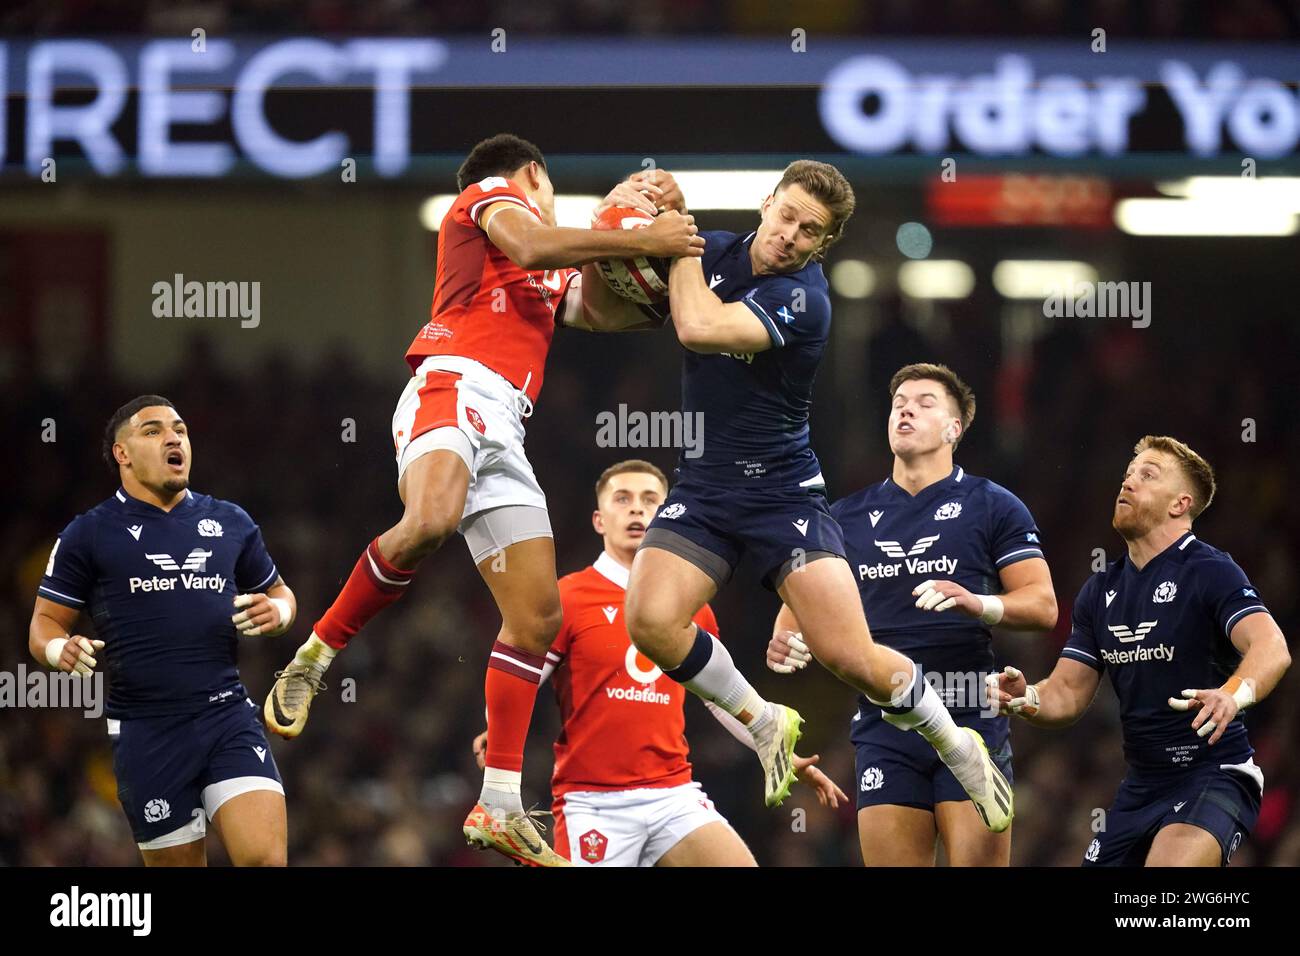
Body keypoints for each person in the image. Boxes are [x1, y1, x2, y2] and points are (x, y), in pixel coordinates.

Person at [262, 132, 703, 866]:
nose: (552, 199)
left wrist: (664, 254)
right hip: (452, 386)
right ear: (533, 172)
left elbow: (615, 313)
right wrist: (622, 226)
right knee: (429, 522)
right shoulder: (485, 199)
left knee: (536, 621)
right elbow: (532, 246)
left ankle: (499, 802)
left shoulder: (547, 273)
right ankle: (315, 654)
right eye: (549, 186)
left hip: (506, 427)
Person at [623, 161, 1014, 833]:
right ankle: (764, 719)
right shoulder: (711, 250)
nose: (792, 237)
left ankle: (958, 746)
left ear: (823, 245)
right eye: (787, 217)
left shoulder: (805, 300)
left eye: (812, 232)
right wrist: (625, 239)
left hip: (783, 496)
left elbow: (699, 329)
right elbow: (621, 303)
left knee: (849, 658)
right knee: (650, 621)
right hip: (707, 488)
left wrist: (674, 242)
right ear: (766, 204)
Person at [472, 460, 845, 865]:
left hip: (672, 792)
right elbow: (527, 671)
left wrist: (774, 748)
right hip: (594, 801)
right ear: (599, 519)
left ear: (667, 518)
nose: (636, 509)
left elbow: (719, 698)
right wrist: (496, 729)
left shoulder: (688, 605)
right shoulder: (570, 597)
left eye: (650, 500)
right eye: (623, 499)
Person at [766, 364, 1057, 864]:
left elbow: (1043, 605)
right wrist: (786, 637)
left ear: (954, 427)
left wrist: (978, 603)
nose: (906, 407)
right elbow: (797, 606)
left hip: (970, 712)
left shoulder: (993, 505)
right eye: (900, 400)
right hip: (885, 723)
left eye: (925, 402)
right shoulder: (844, 517)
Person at [989, 435, 1291, 866]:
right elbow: (1069, 693)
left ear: (1179, 504)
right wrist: (1027, 697)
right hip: (1141, 786)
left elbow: (1272, 646)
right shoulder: (1100, 589)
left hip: (1214, 775)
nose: (1128, 483)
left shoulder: (1210, 570)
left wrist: (1233, 693)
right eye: (1129, 474)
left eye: (1147, 475)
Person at [29, 395, 294, 866]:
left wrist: (280, 614)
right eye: (153, 430)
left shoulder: (230, 521)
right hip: (146, 731)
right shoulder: (87, 534)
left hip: (226, 716)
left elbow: (280, 593)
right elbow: (43, 625)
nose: (174, 438)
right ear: (122, 453)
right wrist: (58, 651)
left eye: (181, 430)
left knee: (264, 860)